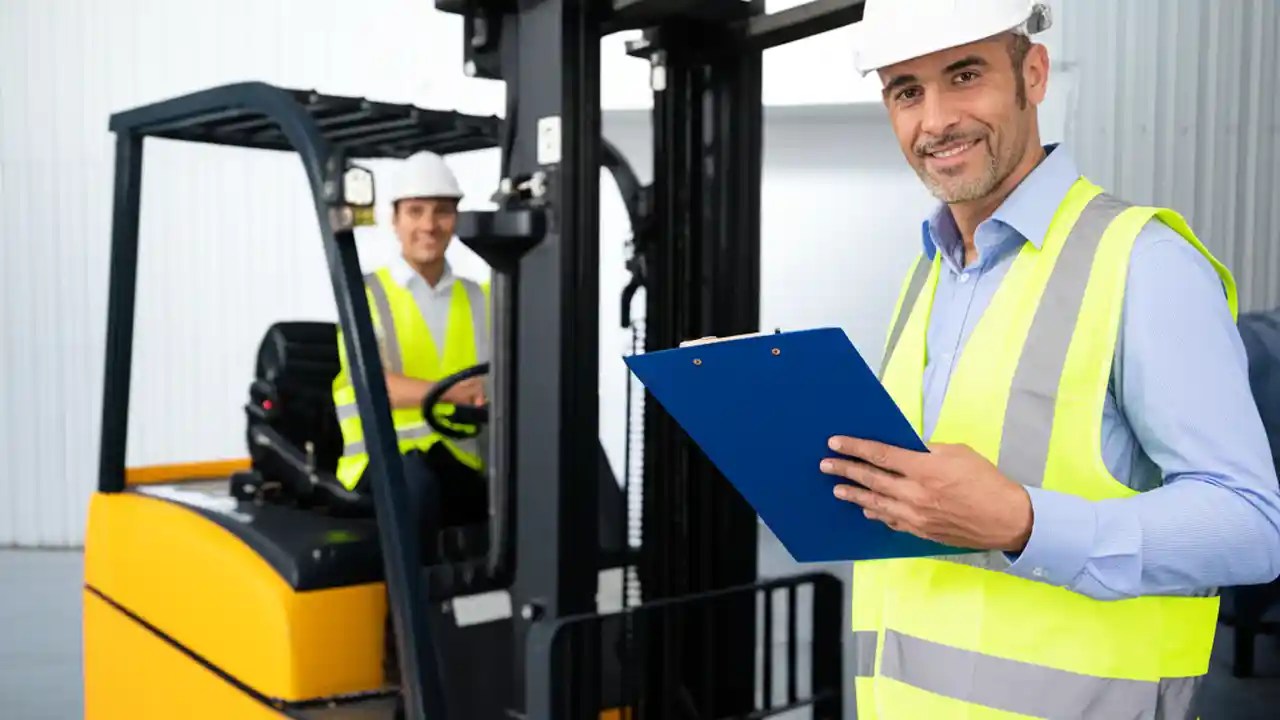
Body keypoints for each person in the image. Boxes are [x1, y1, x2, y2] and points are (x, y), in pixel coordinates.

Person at [818, 1, 1280, 717]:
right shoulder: (933, 270)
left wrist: (1025, 523)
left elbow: (1252, 525)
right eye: (906, 90)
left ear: (1031, 74)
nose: (934, 119)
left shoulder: (1144, 263)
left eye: (964, 75)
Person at [330, 149, 491, 546]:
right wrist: (456, 393)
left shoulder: (483, 298)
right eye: (416, 211)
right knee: (417, 491)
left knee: (535, 490)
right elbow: (375, 385)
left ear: (456, 219)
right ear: (395, 220)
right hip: (381, 461)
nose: (429, 225)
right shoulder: (364, 294)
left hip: (456, 456)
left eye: (441, 212)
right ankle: (400, 610)